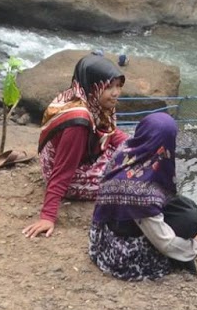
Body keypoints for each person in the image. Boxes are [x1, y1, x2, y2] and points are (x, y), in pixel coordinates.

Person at [24, 54, 128, 239]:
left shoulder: (85, 95)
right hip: (67, 171)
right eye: (109, 87)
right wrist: (47, 216)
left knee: (131, 153)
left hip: (66, 153)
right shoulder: (79, 123)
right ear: (94, 85)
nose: (115, 93)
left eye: (118, 86)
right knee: (128, 176)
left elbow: (109, 132)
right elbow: (63, 170)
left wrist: (136, 146)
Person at [88, 112, 197, 280]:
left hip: (106, 231)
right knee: (192, 219)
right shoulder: (142, 194)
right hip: (122, 254)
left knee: (188, 205)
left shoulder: (125, 151)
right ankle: (184, 267)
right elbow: (165, 243)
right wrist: (194, 245)